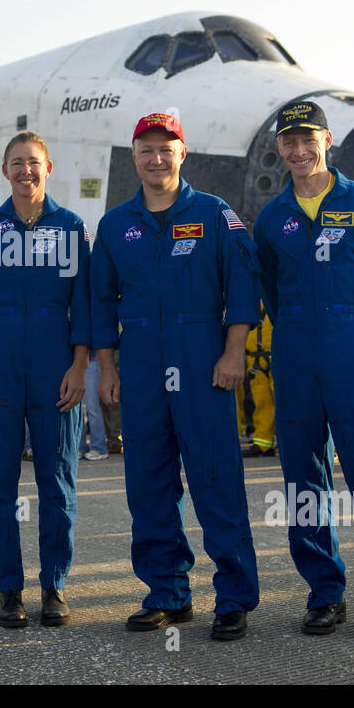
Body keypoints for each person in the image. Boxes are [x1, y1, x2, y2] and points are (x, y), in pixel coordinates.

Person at [252, 99, 354, 642]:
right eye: (289, 142)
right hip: (296, 356)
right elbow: (271, 289)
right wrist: (298, 327)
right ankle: (325, 594)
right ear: (280, 148)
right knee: (304, 481)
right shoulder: (272, 217)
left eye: (308, 139)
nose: (299, 150)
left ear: (328, 141)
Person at [91, 112, 260, 641]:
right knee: (149, 483)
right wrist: (108, 367)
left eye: (167, 148)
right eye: (146, 149)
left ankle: (233, 597)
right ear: (135, 156)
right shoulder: (116, 224)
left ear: (182, 153)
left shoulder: (214, 213)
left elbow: (244, 287)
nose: (156, 158)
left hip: (203, 360)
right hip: (141, 364)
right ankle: (167, 593)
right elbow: (100, 302)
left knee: (216, 480)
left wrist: (234, 353)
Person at [0, 132, 90, 628]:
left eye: (33, 163)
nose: (25, 171)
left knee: (57, 484)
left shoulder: (72, 229)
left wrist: (79, 368)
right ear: (4, 170)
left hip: (57, 374)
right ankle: (8, 590)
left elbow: (86, 306)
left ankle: (54, 586)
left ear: (48, 168)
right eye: (16, 163)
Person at [239, 309, 276, 457]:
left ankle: (292, 443)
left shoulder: (277, 291)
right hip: (255, 359)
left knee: (286, 403)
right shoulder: (249, 296)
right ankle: (263, 443)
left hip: (276, 355)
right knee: (261, 403)